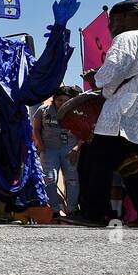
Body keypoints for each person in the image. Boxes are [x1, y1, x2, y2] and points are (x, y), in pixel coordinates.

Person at [72, 0, 138, 227]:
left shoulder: (125, 37)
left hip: (123, 111)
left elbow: (114, 70)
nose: (111, 29)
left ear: (121, 18)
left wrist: (95, 78)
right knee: (131, 163)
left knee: (95, 160)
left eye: (111, 24)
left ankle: (94, 213)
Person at [33, 85, 80, 220]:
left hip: (69, 149)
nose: (62, 103)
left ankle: (72, 209)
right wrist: (40, 145)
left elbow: (84, 131)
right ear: (54, 100)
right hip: (49, 150)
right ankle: (54, 209)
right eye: (59, 100)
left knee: (72, 180)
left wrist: (76, 149)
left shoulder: (76, 112)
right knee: (49, 179)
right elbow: (36, 129)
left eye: (66, 100)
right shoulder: (43, 110)